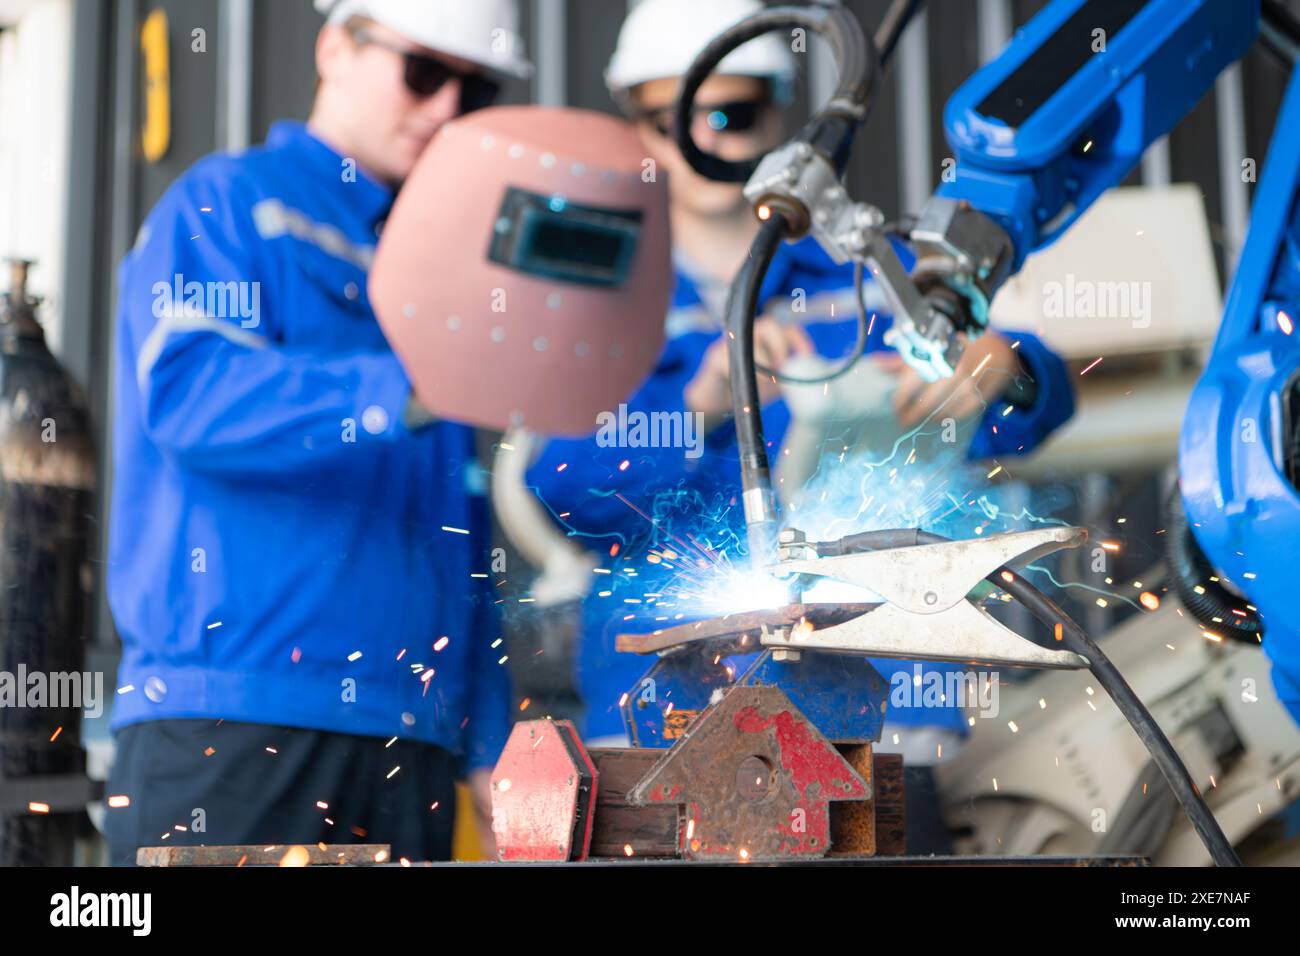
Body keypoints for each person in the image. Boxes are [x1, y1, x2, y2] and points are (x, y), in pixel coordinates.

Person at [523, 0, 1076, 850]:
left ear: (783, 121)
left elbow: (1023, 416)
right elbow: (561, 489)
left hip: (875, 714)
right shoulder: (599, 300)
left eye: (728, 115)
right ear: (634, 131)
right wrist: (693, 411)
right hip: (663, 728)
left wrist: (1008, 368)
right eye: (665, 120)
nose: (696, 141)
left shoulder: (868, 271)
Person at [102, 0, 531, 865]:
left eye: (474, 89)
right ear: (336, 44)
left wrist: (491, 744)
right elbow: (189, 397)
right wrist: (400, 387)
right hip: (235, 729)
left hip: (412, 745)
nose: (446, 107)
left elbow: (460, 528)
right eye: (422, 71)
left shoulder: (442, 270)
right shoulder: (226, 202)